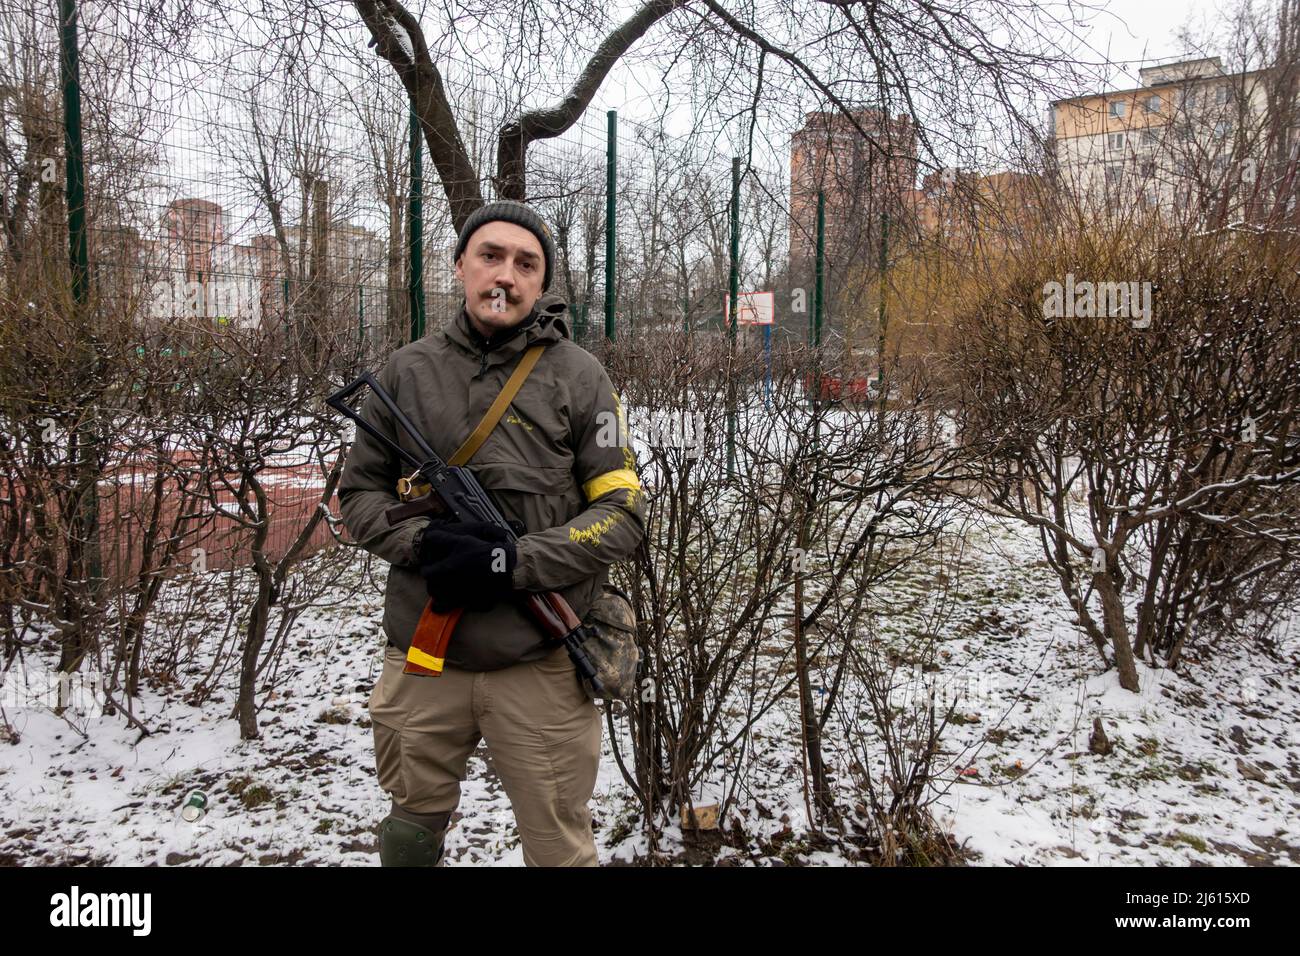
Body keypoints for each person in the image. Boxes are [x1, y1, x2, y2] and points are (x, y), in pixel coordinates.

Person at [337, 199, 645, 867]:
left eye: (526, 264)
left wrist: (515, 561)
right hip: (424, 655)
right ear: (460, 267)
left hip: (539, 662)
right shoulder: (403, 373)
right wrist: (421, 546)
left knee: (559, 847)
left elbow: (623, 514)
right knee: (410, 829)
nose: (506, 274)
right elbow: (358, 494)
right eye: (491, 255)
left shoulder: (581, 378)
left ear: (542, 284)